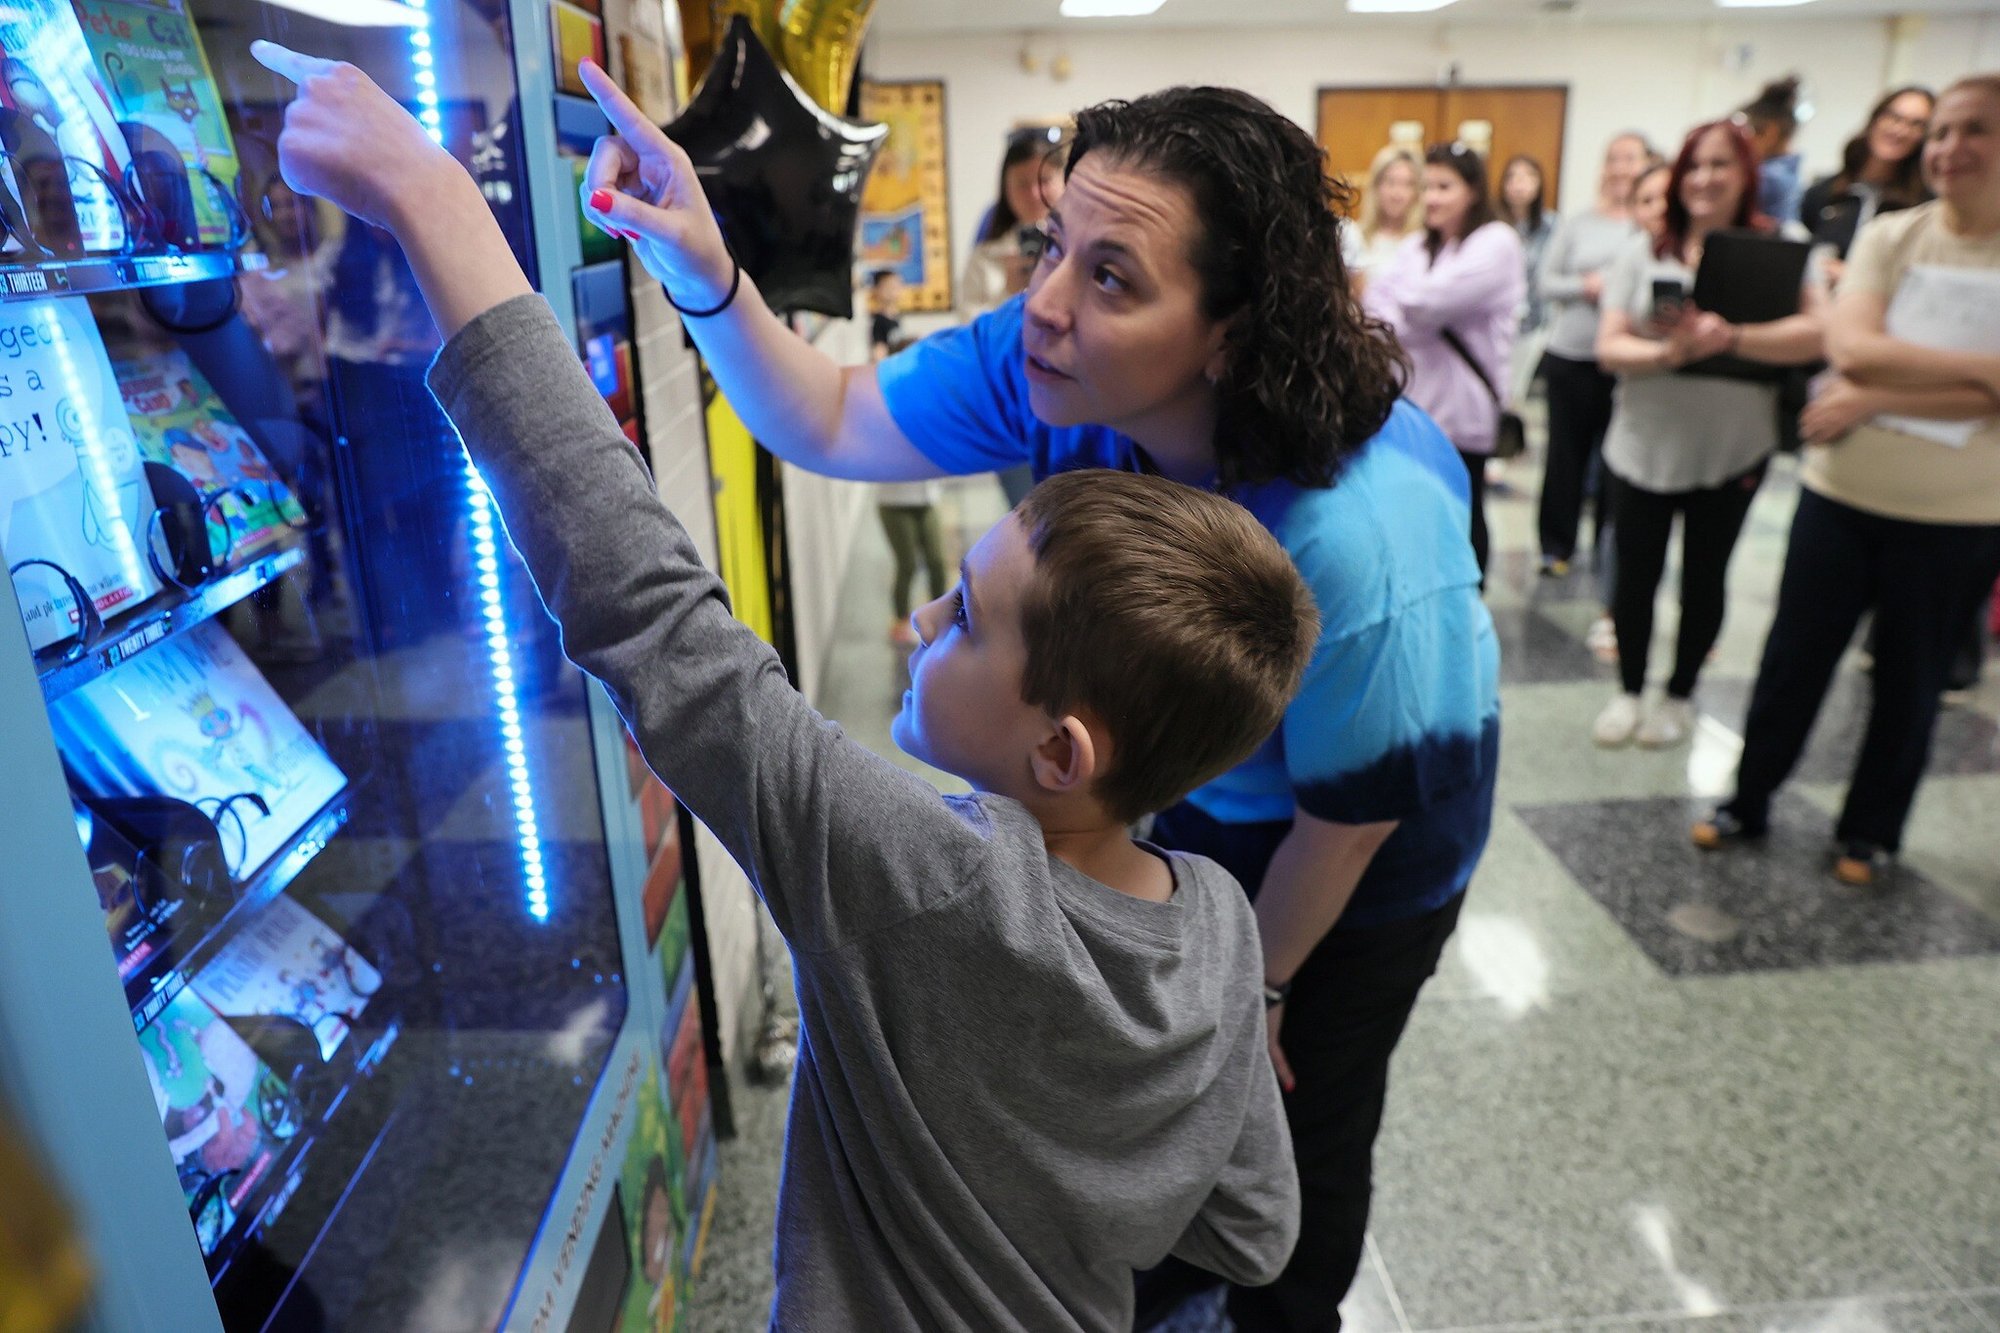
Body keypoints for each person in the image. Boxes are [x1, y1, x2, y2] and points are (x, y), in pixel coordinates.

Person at [255, 42, 1310, 1329]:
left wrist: (434, 199)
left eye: (967, 618)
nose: (922, 615)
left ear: (1061, 753)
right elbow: (1253, 1232)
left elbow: (652, 611)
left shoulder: (914, 880)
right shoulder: (1214, 923)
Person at [557, 62, 1496, 1331]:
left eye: (1112, 276)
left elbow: (1357, 809)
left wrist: (1253, 994)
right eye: (1055, 243)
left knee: (1290, 1162)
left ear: (1230, 329)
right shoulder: (1064, 362)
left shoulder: (1357, 531)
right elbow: (828, 415)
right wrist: (700, 268)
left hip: (1359, 846)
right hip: (1185, 781)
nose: (1044, 305)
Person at [1693, 74, 2000, 886]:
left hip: (1959, 515)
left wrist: (1876, 395)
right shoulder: (1893, 235)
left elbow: (1868, 368)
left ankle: (1869, 831)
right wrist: (1982, 378)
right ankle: (1748, 798)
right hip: (1842, 494)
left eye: (1978, 131)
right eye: (1942, 131)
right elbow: (1852, 347)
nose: (1950, 148)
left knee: (1911, 678)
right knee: (1794, 660)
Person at [1591, 120, 1824, 750]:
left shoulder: (1783, 246)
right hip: (1643, 440)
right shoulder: (1645, 249)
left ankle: (1680, 695)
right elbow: (1608, 345)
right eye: (1694, 164)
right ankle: (1631, 690)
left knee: (1704, 575)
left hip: (1732, 447)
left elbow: (1821, 334)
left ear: (1748, 174)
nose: (1704, 178)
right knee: (1634, 576)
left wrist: (1732, 338)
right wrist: (1672, 353)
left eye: (1721, 165)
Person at [1365, 142, 1525, 579]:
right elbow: (1375, 310)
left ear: (1472, 191)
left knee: (1463, 516)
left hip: (1464, 413)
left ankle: (1469, 609)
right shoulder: (1419, 246)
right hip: (1414, 407)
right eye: (1427, 186)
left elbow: (1422, 303)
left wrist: (1409, 307)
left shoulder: (1497, 242)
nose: (1430, 198)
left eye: (1443, 187)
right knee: (1417, 515)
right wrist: (1410, 308)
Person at [1535, 133, 1650, 580]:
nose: (1620, 168)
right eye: (1613, 159)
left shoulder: (1649, 228)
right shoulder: (1577, 224)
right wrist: (1588, 285)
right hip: (1572, 355)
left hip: (1625, 363)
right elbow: (1547, 282)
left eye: (1630, 159)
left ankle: (1608, 550)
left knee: (1617, 463)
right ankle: (1555, 546)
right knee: (1564, 458)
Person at [962, 129, 1064, 507]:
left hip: (1084, 410)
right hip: (1014, 414)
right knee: (1031, 519)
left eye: (1046, 180)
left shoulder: (1085, 253)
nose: (1035, 194)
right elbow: (971, 341)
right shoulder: (987, 259)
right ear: (1004, 189)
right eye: (1021, 184)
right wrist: (1009, 295)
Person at [1801, 86, 1935, 284]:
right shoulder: (1823, 193)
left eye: (1916, 124)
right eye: (1894, 117)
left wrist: (1853, 277)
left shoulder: (1926, 205)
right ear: (1876, 119)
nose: (1899, 130)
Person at [1497, 154, 1559, 335]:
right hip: (1500, 319)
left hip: (1538, 320)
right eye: (1512, 177)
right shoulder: (1492, 225)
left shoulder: (1552, 225)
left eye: (1528, 176)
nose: (1519, 184)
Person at [1739, 76, 1808, 226]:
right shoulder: (1787, 174)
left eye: (1748, 134)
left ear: (1771, 133)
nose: (1743, 143)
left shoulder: (1769, 177)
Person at [1354, 145, 1422, 276]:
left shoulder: (1425, 241)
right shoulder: (1356, 236)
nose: (1397, 194)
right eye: (1391, 182)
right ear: (1376, 186)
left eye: (1407, 184)